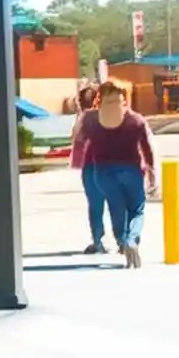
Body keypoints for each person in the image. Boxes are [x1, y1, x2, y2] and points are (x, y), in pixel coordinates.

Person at [70, 80, 157, 268]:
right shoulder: (136, 120)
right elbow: (148, 150)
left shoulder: (90, 119)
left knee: (116, 207)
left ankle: (122, 242)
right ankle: (132, 239)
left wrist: (77, 162)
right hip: (130, 170)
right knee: (137, 209)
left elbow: (79, 139)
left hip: (102, 172)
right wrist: (152, 177)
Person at [70, 83, 118, 254]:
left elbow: (77, 137)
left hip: (91, 167)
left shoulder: (84, 119)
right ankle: (123, 240)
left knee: (95, 205)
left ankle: (98, 241)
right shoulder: (111, 116)